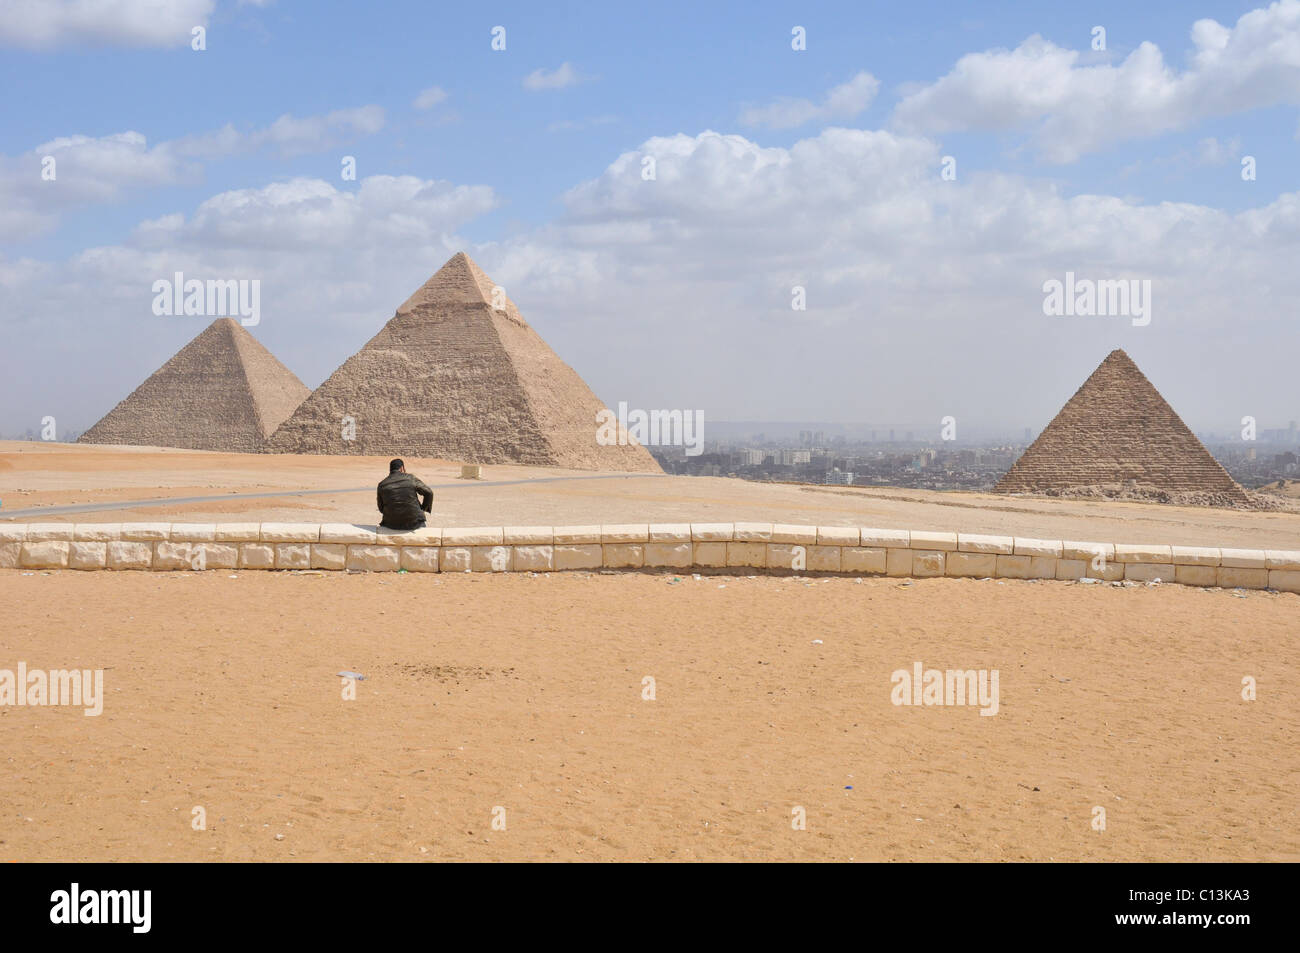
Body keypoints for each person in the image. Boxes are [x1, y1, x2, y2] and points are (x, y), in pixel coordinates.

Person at [377, 458, 433, 530]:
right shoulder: (410, 478)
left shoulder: (382, 484)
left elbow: (381, 508)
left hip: (391, 524)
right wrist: (423, 508)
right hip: (414, 523)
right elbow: (429, 492)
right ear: (402, 468)